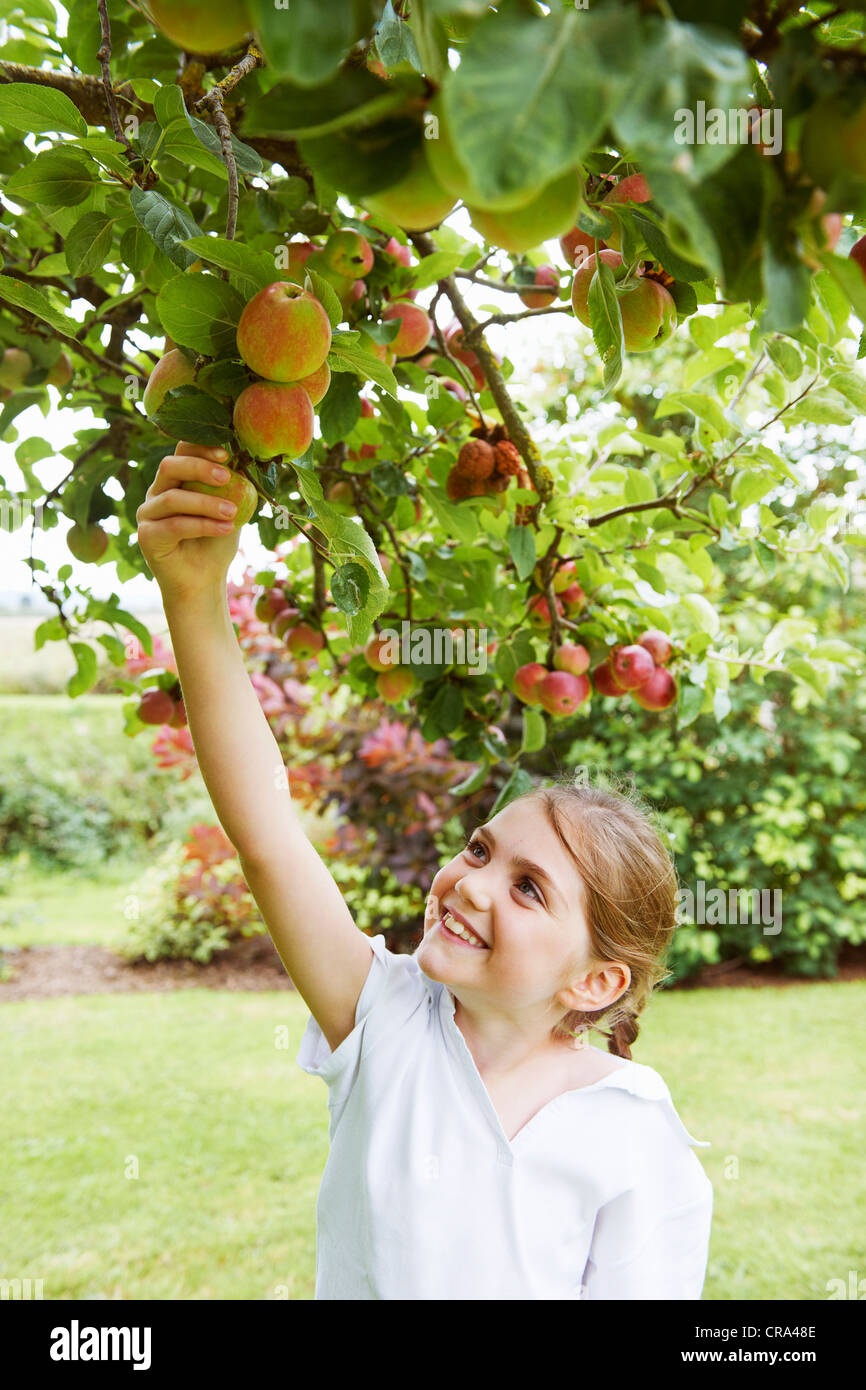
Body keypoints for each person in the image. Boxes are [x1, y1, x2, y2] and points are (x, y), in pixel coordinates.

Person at [136, 441, 714, 1301]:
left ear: (595, 980)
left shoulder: (632, 1130)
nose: (473, 882)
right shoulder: (389, 1021)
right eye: (480, 849)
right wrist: (193, 598)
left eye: (528, 888)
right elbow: (268, 837)